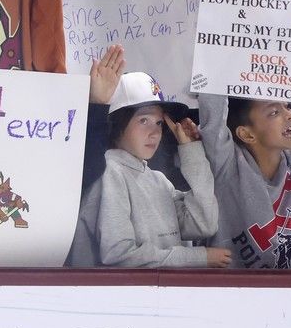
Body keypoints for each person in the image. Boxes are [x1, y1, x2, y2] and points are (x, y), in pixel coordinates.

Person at [68, 71, 228, 267]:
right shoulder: (110, 171)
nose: (155, 132)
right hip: (115, 297)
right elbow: (119, 256)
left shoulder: (158, 180)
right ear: (116, 123)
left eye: (159, 123)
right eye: (143, 121)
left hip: (155, 295)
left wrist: (191, 150)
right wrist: (199, 257)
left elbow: (204, 223)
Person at [198, 74, 291, 270]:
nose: (289, 115)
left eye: (287, 106)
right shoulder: (225, 163)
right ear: (247, 134)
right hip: (232, 292)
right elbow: (213, 116)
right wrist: (221, 60)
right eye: (274, 113)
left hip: (290, 291)